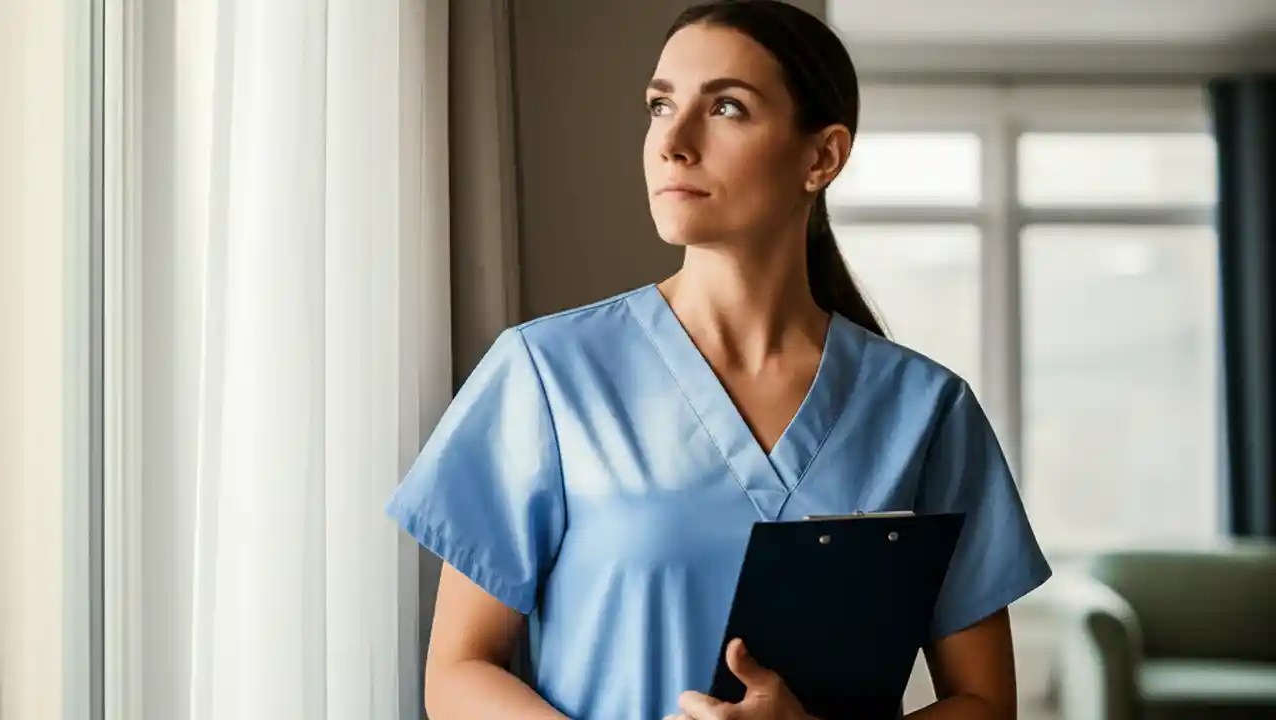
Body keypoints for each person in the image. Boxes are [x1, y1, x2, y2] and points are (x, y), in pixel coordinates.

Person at [386, 1, 1052, 718]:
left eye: (727, 107)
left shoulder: (925, 410)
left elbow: (984, 701)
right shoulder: (544, 375)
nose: (672, 140)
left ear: (821, 157)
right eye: (660, 104)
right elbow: (458, 671)